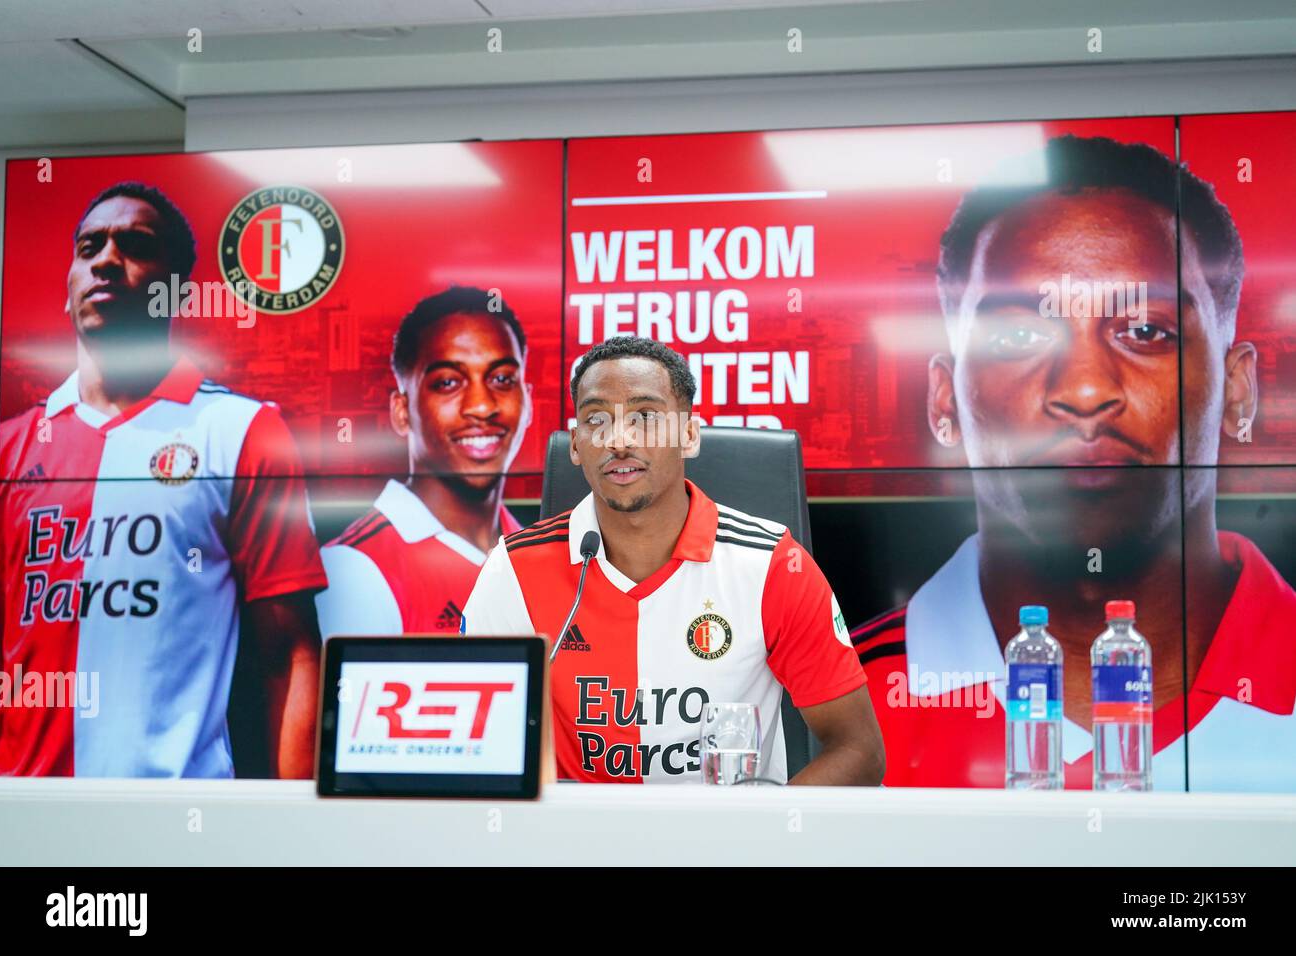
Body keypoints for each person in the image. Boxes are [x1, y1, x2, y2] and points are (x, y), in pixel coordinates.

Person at [851, 135, 1296, 790]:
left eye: (1145, 331)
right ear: (944, 399)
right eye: (1020, 336)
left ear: (1238, 393)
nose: (1086, 389)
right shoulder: (836, 699)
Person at [0, 181, 327, 778]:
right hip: (23, 822)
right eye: (89, 245)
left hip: (175, 823)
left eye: (135, 245)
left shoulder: (241, 431)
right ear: (67, 290)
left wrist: (293, 834)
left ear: (176, 291)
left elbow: (290, 655)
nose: (105, 260)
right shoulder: (10, 449)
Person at [462, 336, 885, 784]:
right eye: (596, 420)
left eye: (645, 417)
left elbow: (857, 749)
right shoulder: (512, 570)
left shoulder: (772, 565)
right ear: (575, 445)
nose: (619, 440)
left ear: (688, 434)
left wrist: (757, 844)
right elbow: (472, 743)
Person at [314, 287, 530, 637]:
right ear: (401, 411)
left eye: (502, 379)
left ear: (528, 400)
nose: (481, 405)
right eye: (448, 383)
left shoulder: (535, 549)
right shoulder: (355, 569)